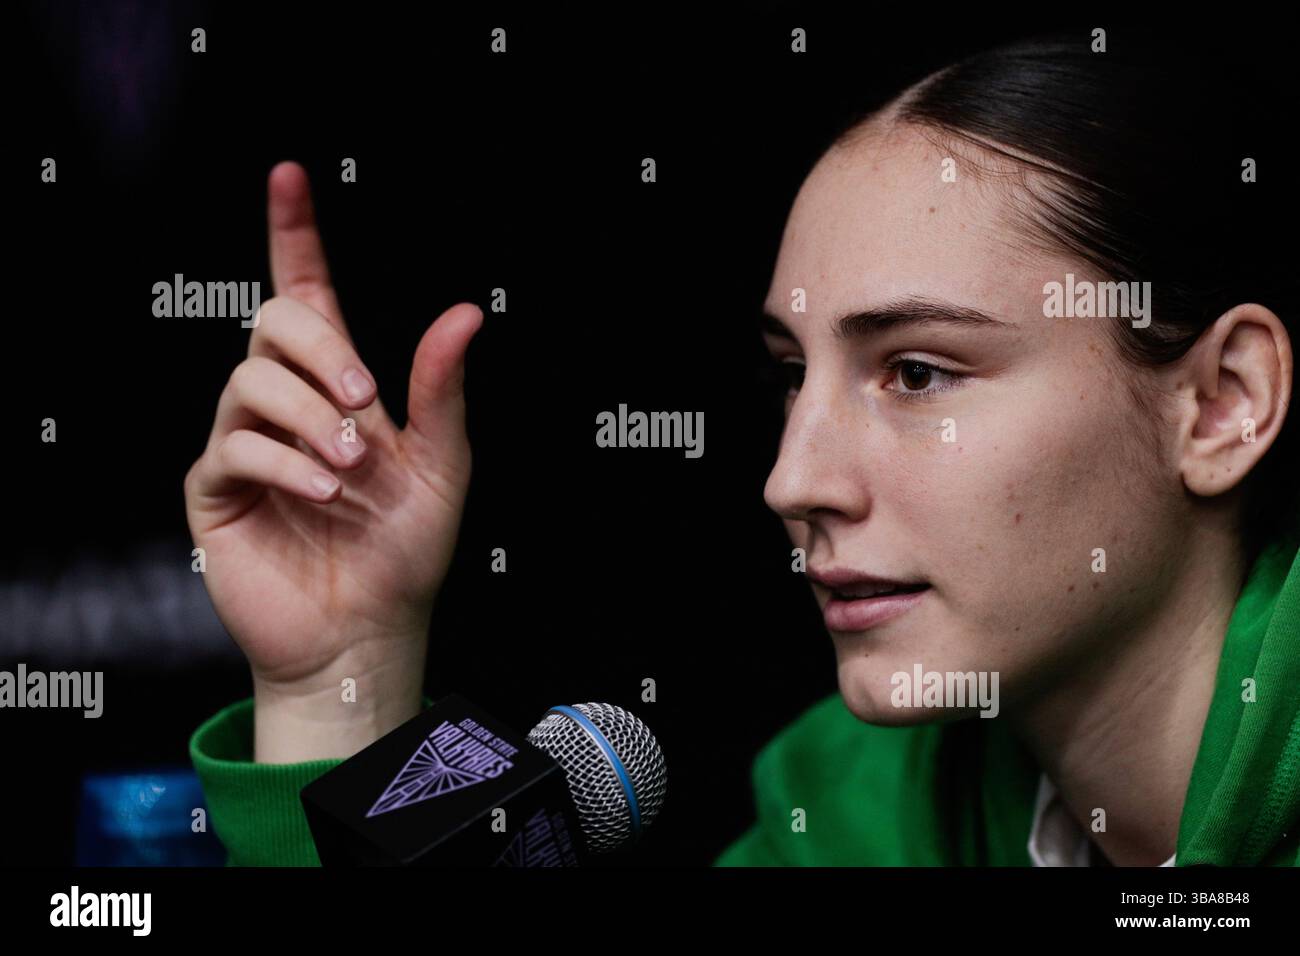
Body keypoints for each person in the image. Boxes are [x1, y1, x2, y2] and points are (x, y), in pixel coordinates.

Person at [188, 35, 1300, 866]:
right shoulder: (842, 810)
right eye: (788, 373)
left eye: (917, 372)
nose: (791, 482)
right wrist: (342, 685)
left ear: (1220, 404)